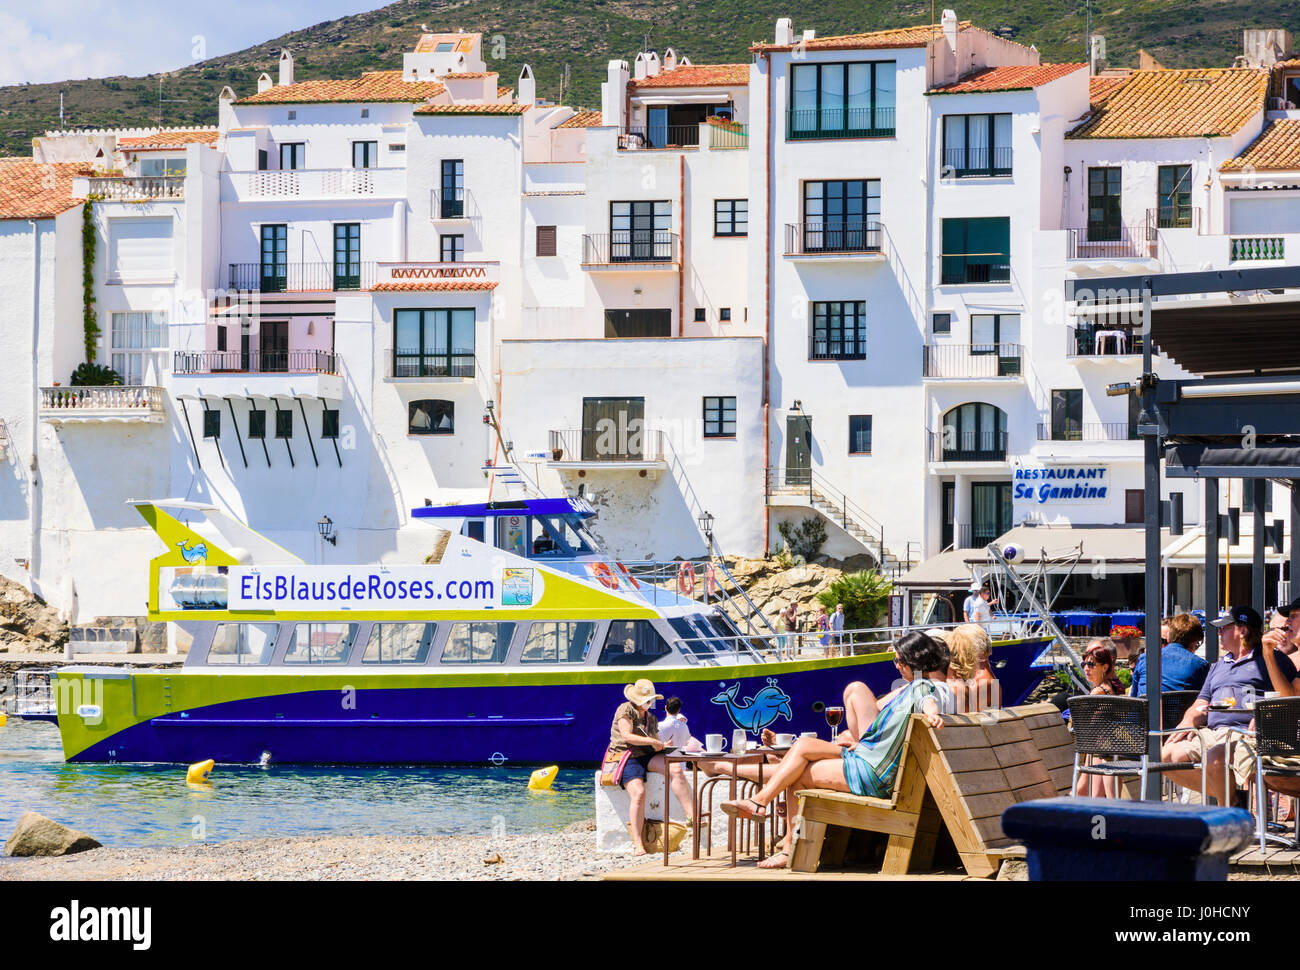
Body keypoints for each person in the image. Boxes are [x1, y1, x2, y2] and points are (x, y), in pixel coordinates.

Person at [717, 631, 948, 869]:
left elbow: (926, 700)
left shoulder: (921, 687)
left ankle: (786, 844)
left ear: (913, 660)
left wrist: (932, 714)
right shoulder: (913, 686)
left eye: (899, 661)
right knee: (803, 746)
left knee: (799, 779)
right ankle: (760, 803)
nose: (897, 666)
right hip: (869, 758)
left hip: (872, 772)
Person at [1161, 606, 1299, 806]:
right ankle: (1232, 797)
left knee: (1215, 757)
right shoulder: (1218, 666)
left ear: (1242, 631)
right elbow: (1201, 702)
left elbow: (1287, 698)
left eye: (1224, 628)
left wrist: (1266, 716)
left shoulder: (1273, 660)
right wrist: (1187, 721)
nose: (1219, 633)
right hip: (1213, 731)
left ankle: (1228, 812)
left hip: (1247, 733)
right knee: (1166, 755)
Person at [608, 679, 694, 854]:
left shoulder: (651, 717)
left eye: (651, 699)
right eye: (648, 699)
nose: (650, 703)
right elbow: (626, 736)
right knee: (639, 793)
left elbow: (654, 740)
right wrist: (652, 741)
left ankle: (691, 816)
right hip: (627, 755)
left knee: (675, 769)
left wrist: (662, 744)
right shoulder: (625, 709)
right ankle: (638, 843)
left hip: (647, 754)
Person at [1130, 613, 1209, 696]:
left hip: (1146, 709)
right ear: (1194, 643)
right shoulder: (1199, 665)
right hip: (1182, 709)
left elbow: (1134, 697)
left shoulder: (1144, 659)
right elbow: (1205, 699)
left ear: (1169, 637)